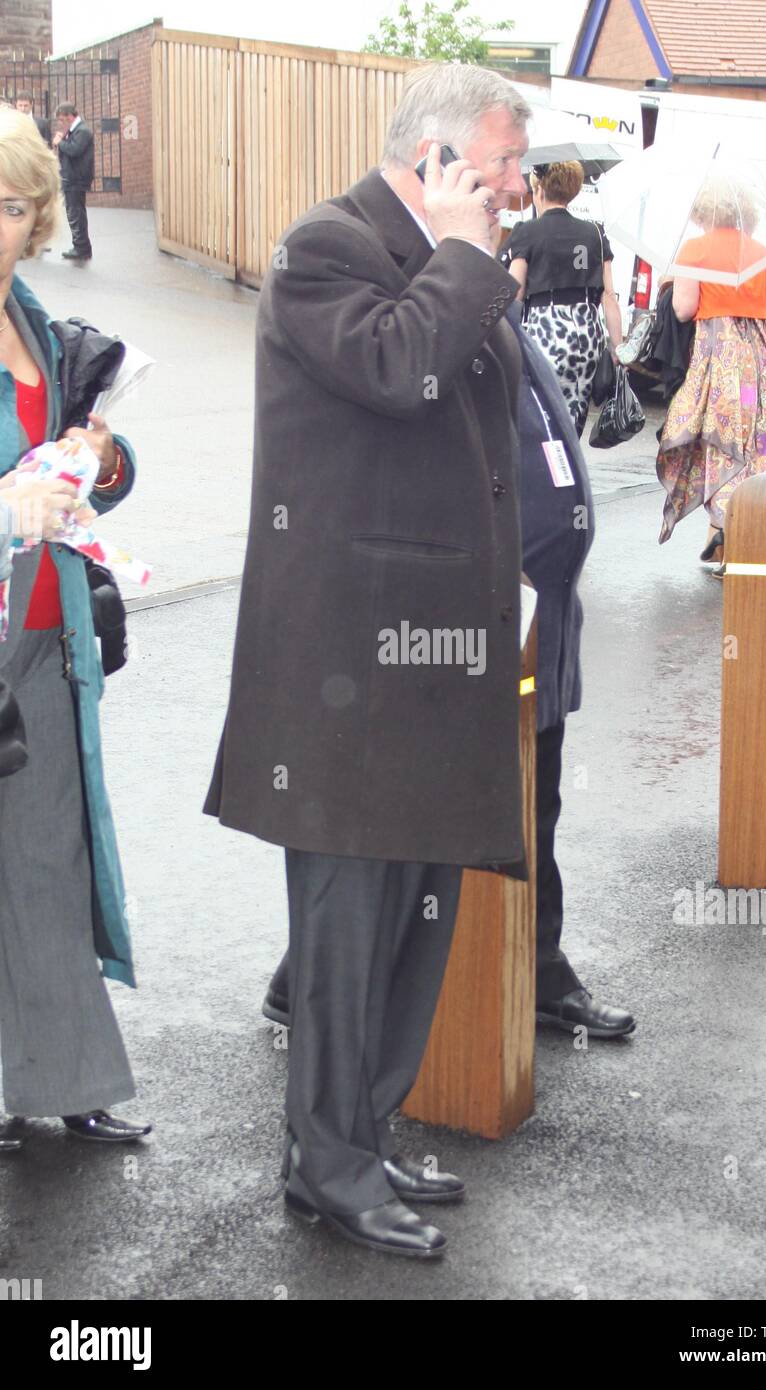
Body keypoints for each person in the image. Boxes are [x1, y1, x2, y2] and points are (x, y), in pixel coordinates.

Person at [205, 62, 531, 1259]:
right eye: (501, 164)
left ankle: (362, 1129)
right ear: (438, 160)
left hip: (435, 661)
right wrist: (463, 254)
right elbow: (404, 371)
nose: (516, 187)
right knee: (344, 937)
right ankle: (327, 1165)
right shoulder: (326, 249)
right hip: (347, 672)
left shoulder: (455, 262)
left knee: (415, 921)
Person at [264, 304, 635, 1042]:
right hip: (476, 624)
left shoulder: (500, 315)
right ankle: (307, 980)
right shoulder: (431, 319)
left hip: (541, 621)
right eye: (489, 183)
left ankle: (539, 969)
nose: (506, 192)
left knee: (537, 810)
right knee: (420, 828)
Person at [0, 112, 149, 1154]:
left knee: (48, 860)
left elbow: (82, 462)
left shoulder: (36, 320)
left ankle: (64, 1078)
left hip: (49, 637)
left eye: (10, 206)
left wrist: (100, 458)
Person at [656, 180, 766, 564]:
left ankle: (726, 524)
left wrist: (673, 281)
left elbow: (683, 310)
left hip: (721, 357)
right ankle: (733, 538)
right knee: (759, 438)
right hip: (762, 360)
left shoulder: (694, 250)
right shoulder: (762, 254)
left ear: (705, 212)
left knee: (723, 437)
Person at [501, 161, 622, 437]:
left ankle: (545, 471)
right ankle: (566, 468)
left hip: (545, 333)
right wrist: (617, 348)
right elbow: (609, 296)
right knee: (571, 418)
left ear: (539, 188)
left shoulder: (525, 232)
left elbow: (515, 292)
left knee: (539, 417)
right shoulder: (595, 233)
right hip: (585, 338)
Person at [53, 101, 94, 261]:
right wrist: (63, 139)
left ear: (70, 116)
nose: (61, 123)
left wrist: (60, 142)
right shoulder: (75, 130)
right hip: (72, 178)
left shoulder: (82, 130)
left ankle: (82, 248)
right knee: (75, 213)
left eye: (62, 120)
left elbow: (74, 150)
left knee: (76, 213)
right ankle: (80, 246)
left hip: (76, 179)